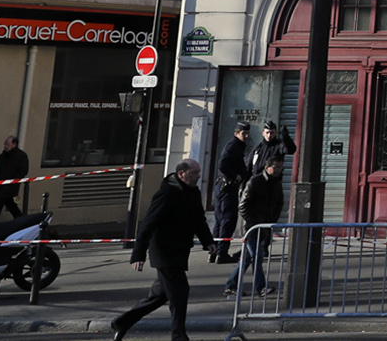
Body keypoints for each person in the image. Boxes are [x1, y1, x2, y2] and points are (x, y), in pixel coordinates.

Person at [112, 158, 214, 341]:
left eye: (199, 173)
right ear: (181, 174)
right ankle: (179, 336)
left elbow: (199, 219)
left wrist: (209, 242)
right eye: (194, 173)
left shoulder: (193, 192)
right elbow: (148, 225)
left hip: (179, 250)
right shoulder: (167, 194)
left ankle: (123, 321)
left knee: (159, 295)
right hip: (164, 251)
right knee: (179, 293)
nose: (198, 177)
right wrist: (138, 254)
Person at [224, 157, 283, 299]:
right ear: (267, 168)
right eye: (275, 167)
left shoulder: (276, 183)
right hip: (252, 227)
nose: (278, 171)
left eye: (280, 168)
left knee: (247, 258)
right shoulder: (255, 182)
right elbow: (243, 206)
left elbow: (279, 203)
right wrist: (253, 223)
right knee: (257, 256)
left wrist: (271, 221)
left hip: (264, 226)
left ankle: (231, 285)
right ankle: (261, 287)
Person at [211, 121, 250, 263]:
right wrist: (236, 175)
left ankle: (214, 251)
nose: (245, 136)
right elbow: (223, 164)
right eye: (243, 133)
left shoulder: (237, 146)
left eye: (247, 133)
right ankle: (221, 253)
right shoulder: (233, 146)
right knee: (227, 219)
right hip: (226, 187)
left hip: (223, 186)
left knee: (220, 220)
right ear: (236, 133)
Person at [0, 135, 28, 224]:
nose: (5, 146)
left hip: (11, 187)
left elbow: (23, 171)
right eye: (5, 144)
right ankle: (23, 222)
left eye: (7, 144)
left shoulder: (21, 156)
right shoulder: (2, 157)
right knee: (11, 206)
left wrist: (13, 182)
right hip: (1, 186)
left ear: (14, 144)